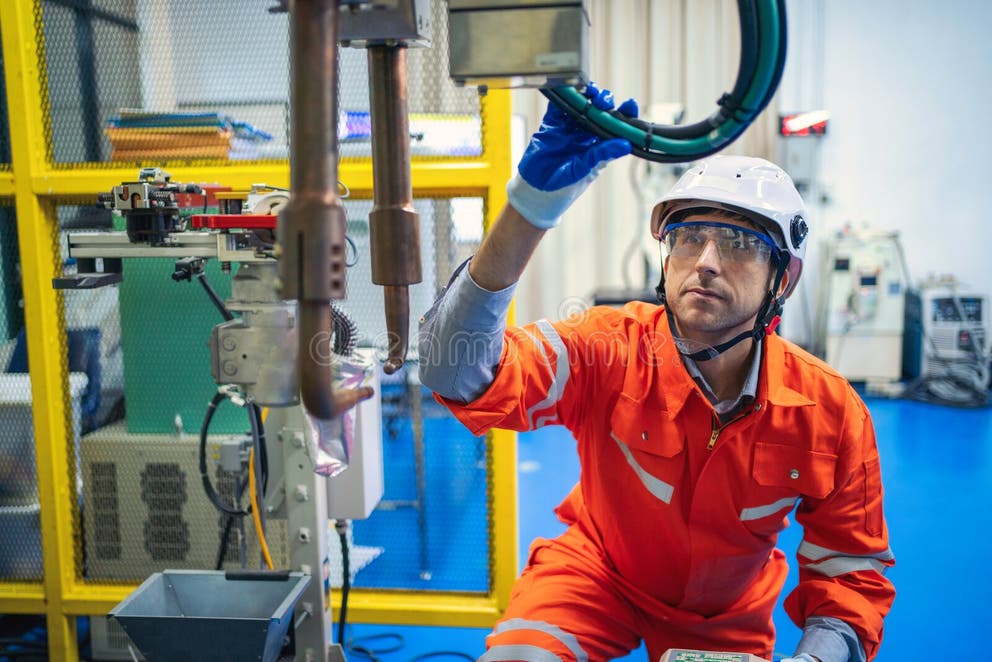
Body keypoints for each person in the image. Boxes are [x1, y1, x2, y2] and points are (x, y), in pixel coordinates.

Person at [418, 85, 895, 662]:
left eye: (741, 242)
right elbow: (455, 373)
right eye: (689, 237)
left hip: (726, 612)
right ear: (665, 258)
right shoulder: (606, 349)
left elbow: (851, 572)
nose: (707, 261)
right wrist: (528, 210)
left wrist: (819, 657)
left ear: (783, 280)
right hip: (593, 576)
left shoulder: (830, 412)